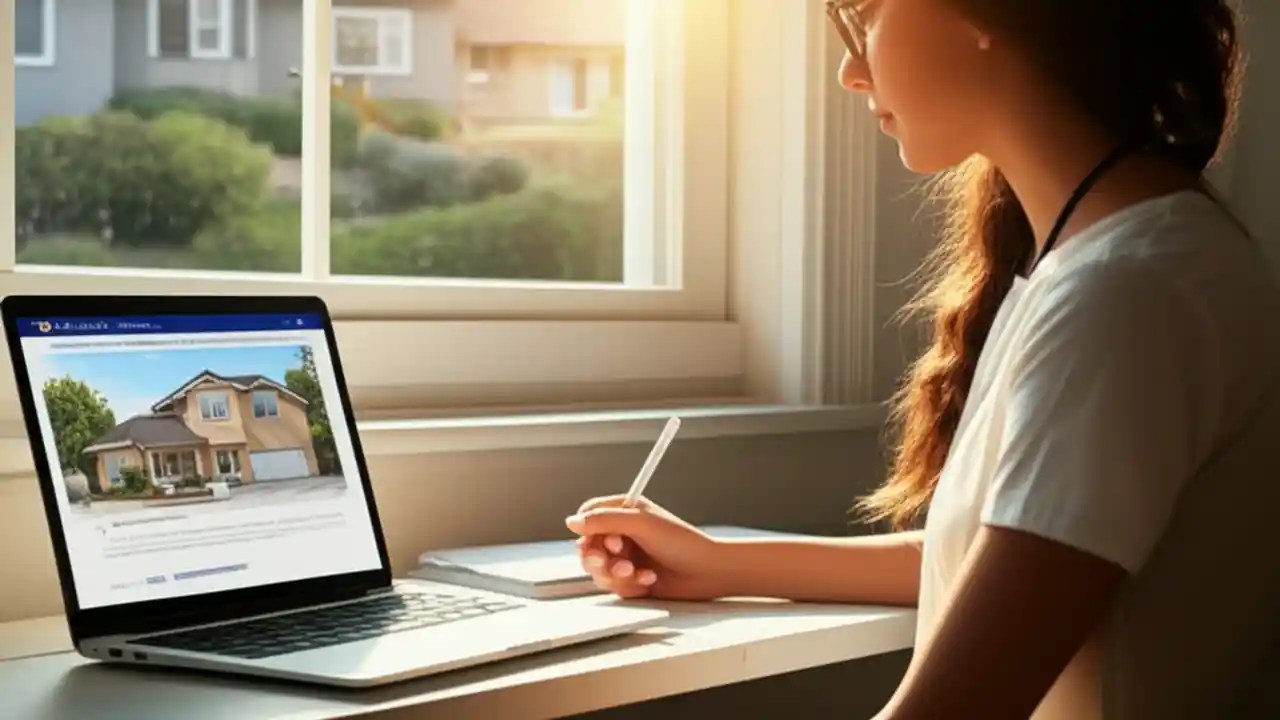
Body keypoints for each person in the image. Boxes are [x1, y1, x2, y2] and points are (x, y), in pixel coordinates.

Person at [565, 1, 1280, 718]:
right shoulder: (1114, 264)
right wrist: (720, 564)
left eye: (861, 16)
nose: (850, 71)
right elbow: (1010, 565)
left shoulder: (1128, 294)